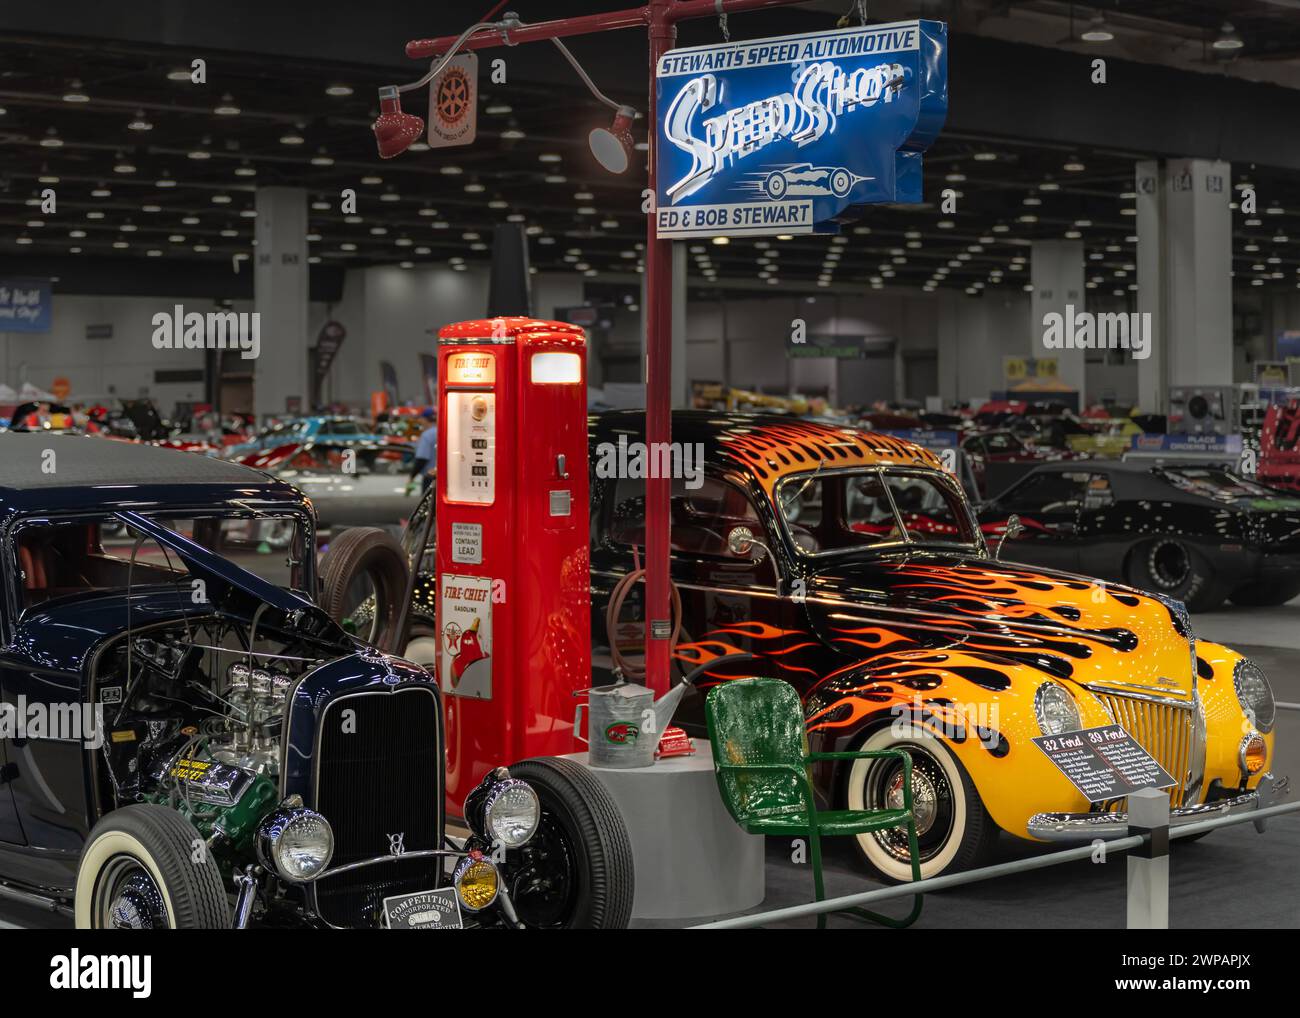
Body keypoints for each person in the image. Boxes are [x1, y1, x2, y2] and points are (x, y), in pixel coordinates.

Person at [407, 408, 437, 494]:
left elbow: (422, 459)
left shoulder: (427, 435)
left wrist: (412, 477)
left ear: (425, 419)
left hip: (430, 477)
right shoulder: (445, 431)